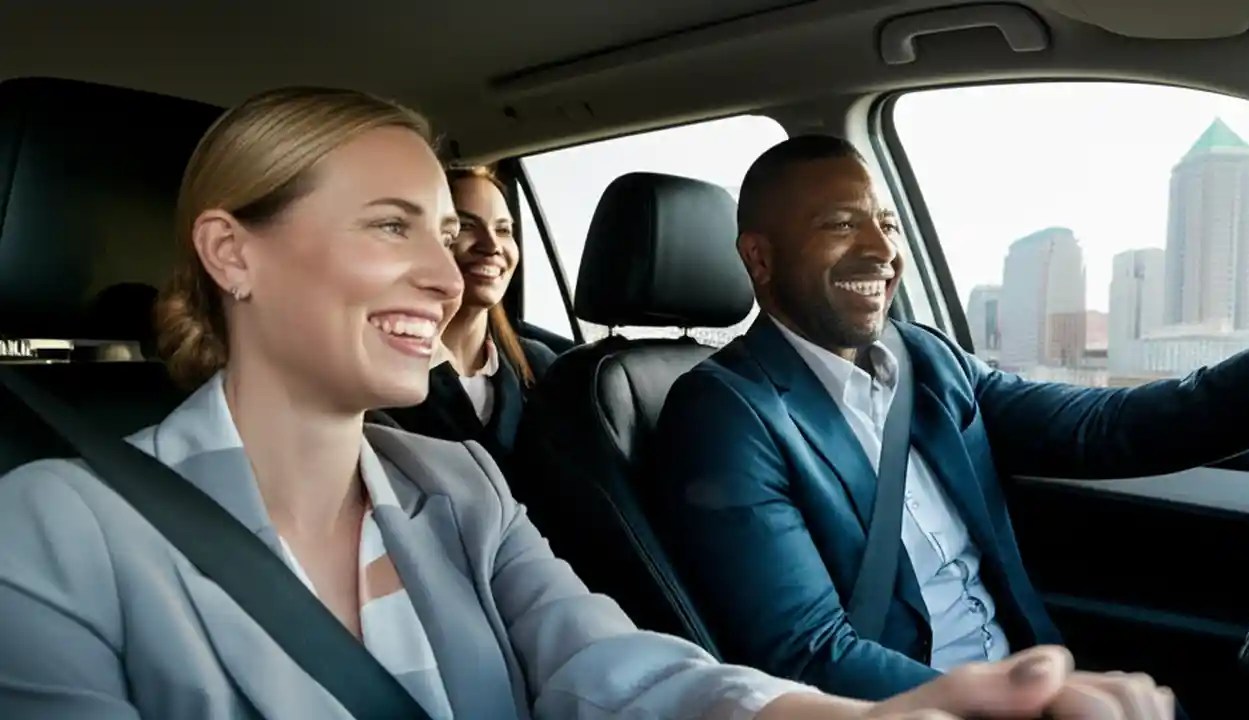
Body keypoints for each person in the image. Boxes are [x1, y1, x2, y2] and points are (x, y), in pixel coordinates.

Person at [0, 88, 1171, 720]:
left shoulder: (457, 485)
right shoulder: (50, 531)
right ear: (232, 253)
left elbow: (621, 672)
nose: (448, 274)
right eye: (391, 226)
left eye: (448, 234)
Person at [649, 134, 1249, 706]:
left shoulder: (925, 358)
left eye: (888, 224)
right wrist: (1026, 707)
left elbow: (1103, 426)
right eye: (840, 224)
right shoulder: (725, 412)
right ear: (760, 259)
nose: (882, 250)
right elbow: (809, 655)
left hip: (1026, 674)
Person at [377, 166, 555, 467]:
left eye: (503, 230)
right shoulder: (380, 374)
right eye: (466, 226)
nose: (492, 246)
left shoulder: (543, 368)